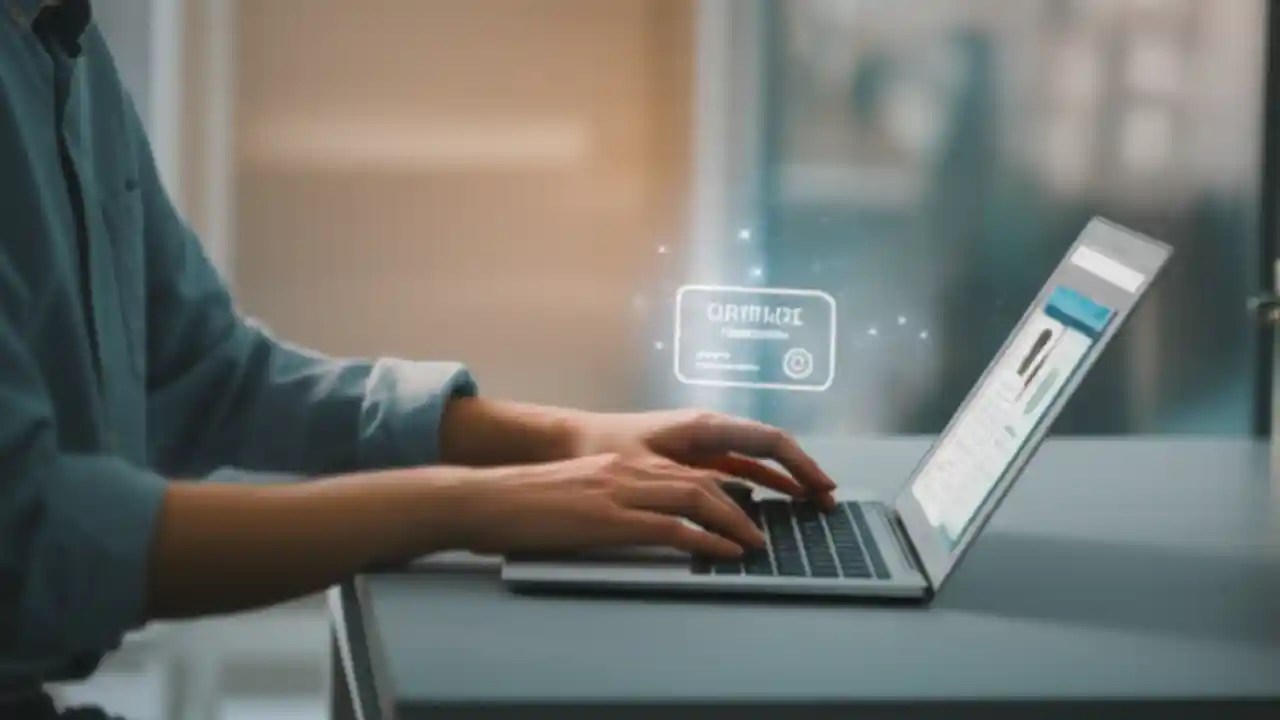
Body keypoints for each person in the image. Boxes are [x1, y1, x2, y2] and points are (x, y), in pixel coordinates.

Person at [0, 1, 837, 716]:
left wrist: (560, 439)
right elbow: (31, 538)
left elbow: (205, 372)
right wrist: (470, 506)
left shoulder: (59, 38)